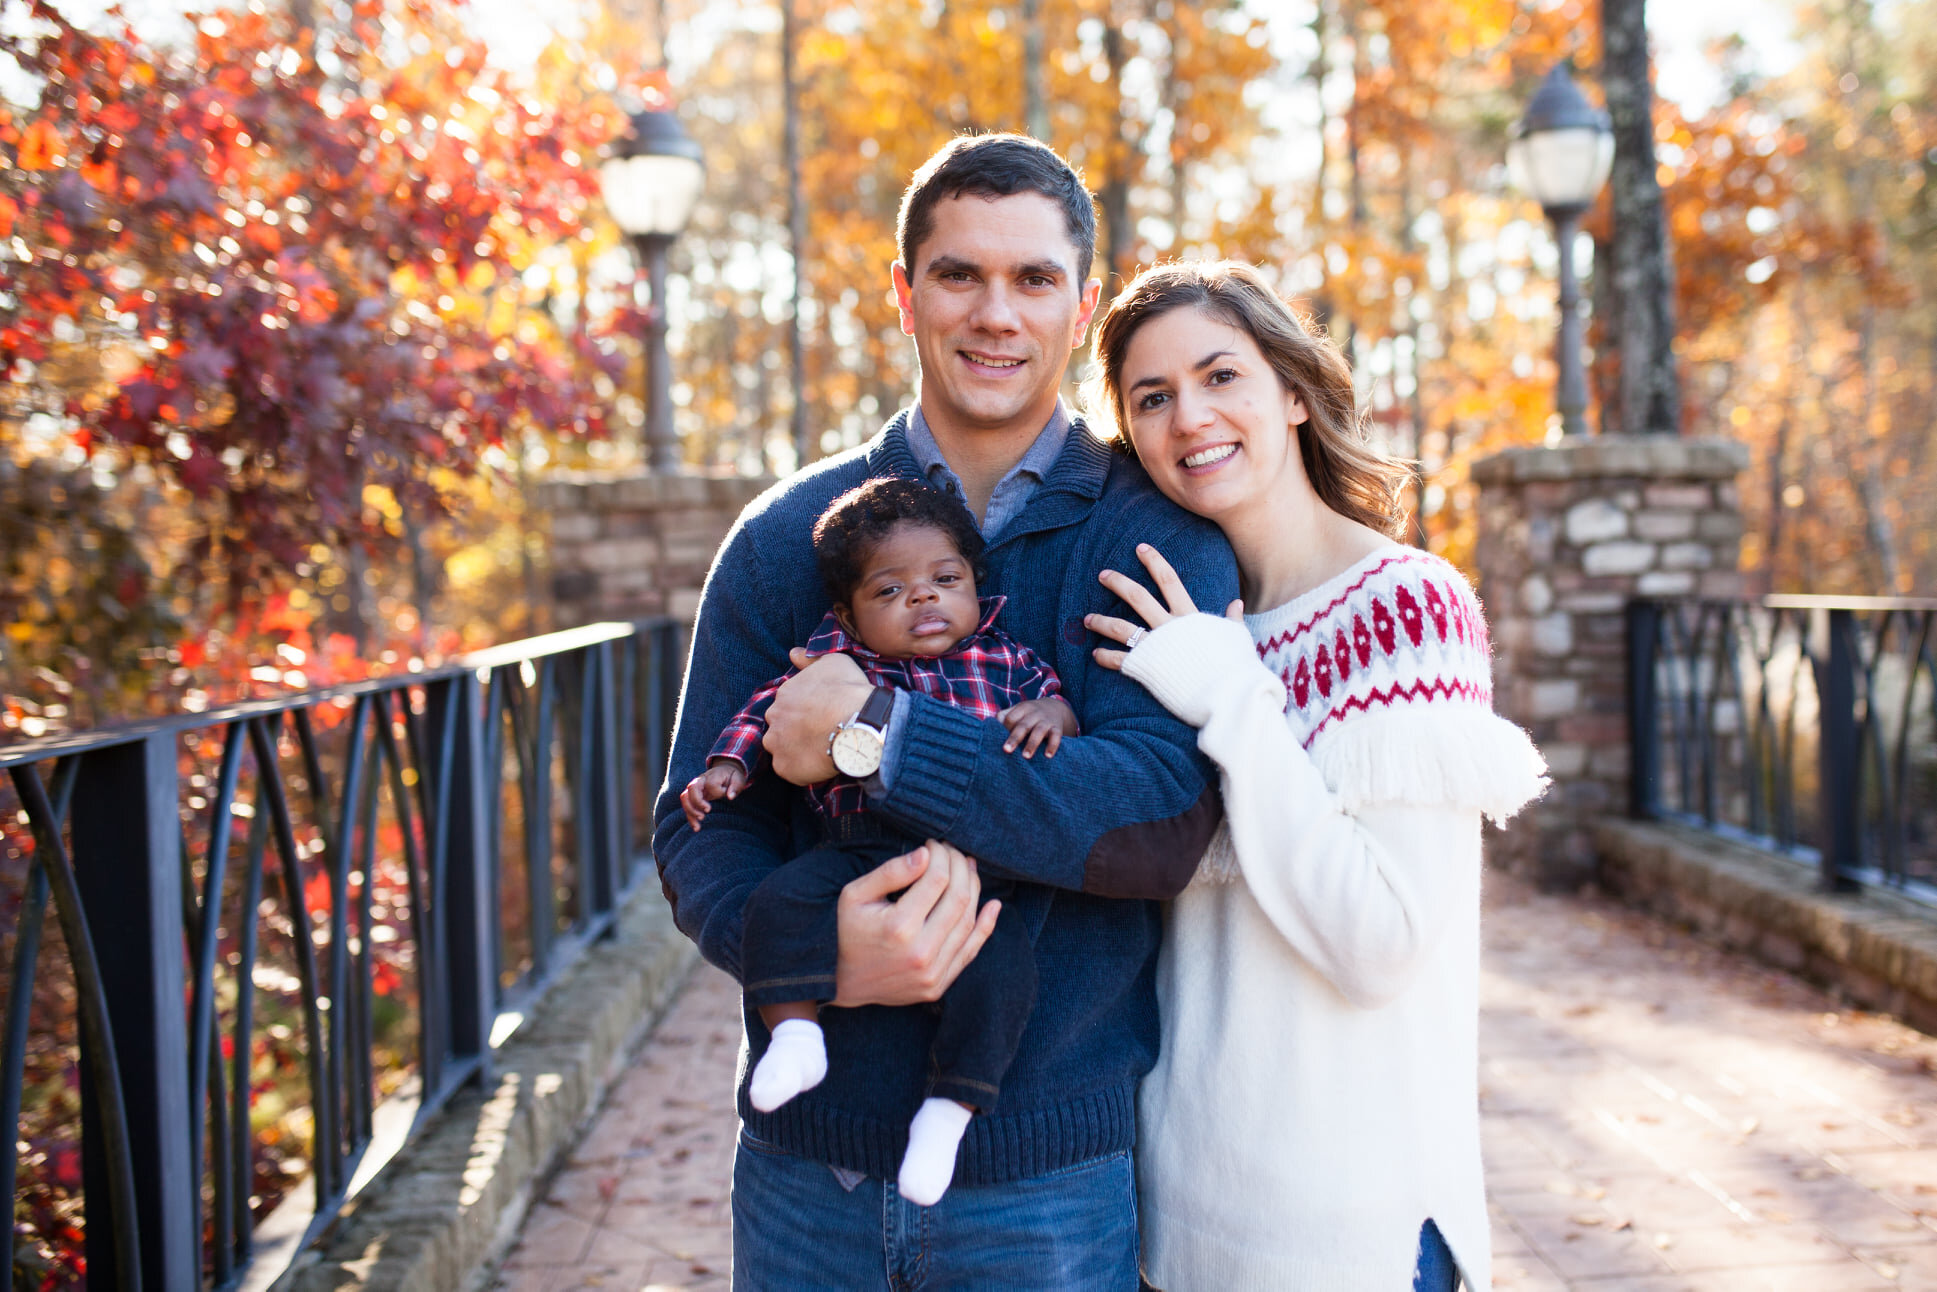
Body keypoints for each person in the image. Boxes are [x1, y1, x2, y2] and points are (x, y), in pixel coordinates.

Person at [651, 134, 1239, 1289]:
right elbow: (697, 821)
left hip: (1047, 1180)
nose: (994, 313)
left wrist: (880, 736)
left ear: (1080, 307)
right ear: (904, 292)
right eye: (958, 273)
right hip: (803, 1172)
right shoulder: (785, 535)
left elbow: (1153, 818)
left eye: (1034, 278)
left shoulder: (1149, 533)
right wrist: (816, 957)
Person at [1079, 261, 1547, 1291]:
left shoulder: (1402, 606)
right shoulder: (1169, 621)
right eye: (1151, 397)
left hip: (1351, 1229)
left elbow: (1377, 946)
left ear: (1292, 391)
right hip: (1178, 1218)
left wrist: (1233, 700)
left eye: (1220, 376)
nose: (1188, 416)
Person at [680, 477, 1077, 1206]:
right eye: (890, 591)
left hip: (977, 868)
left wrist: (1054, 715)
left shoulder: (1007, 660)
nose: (923, 598)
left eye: (945, 581)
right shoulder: (841, 666)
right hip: (858, 849)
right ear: (849, 615)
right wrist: (728, 765)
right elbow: (765, 711)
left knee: (1003, 976)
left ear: (975, 587)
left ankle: (948, 1111)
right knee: (778, 901)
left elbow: (1059, 706)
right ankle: (795, 1036)